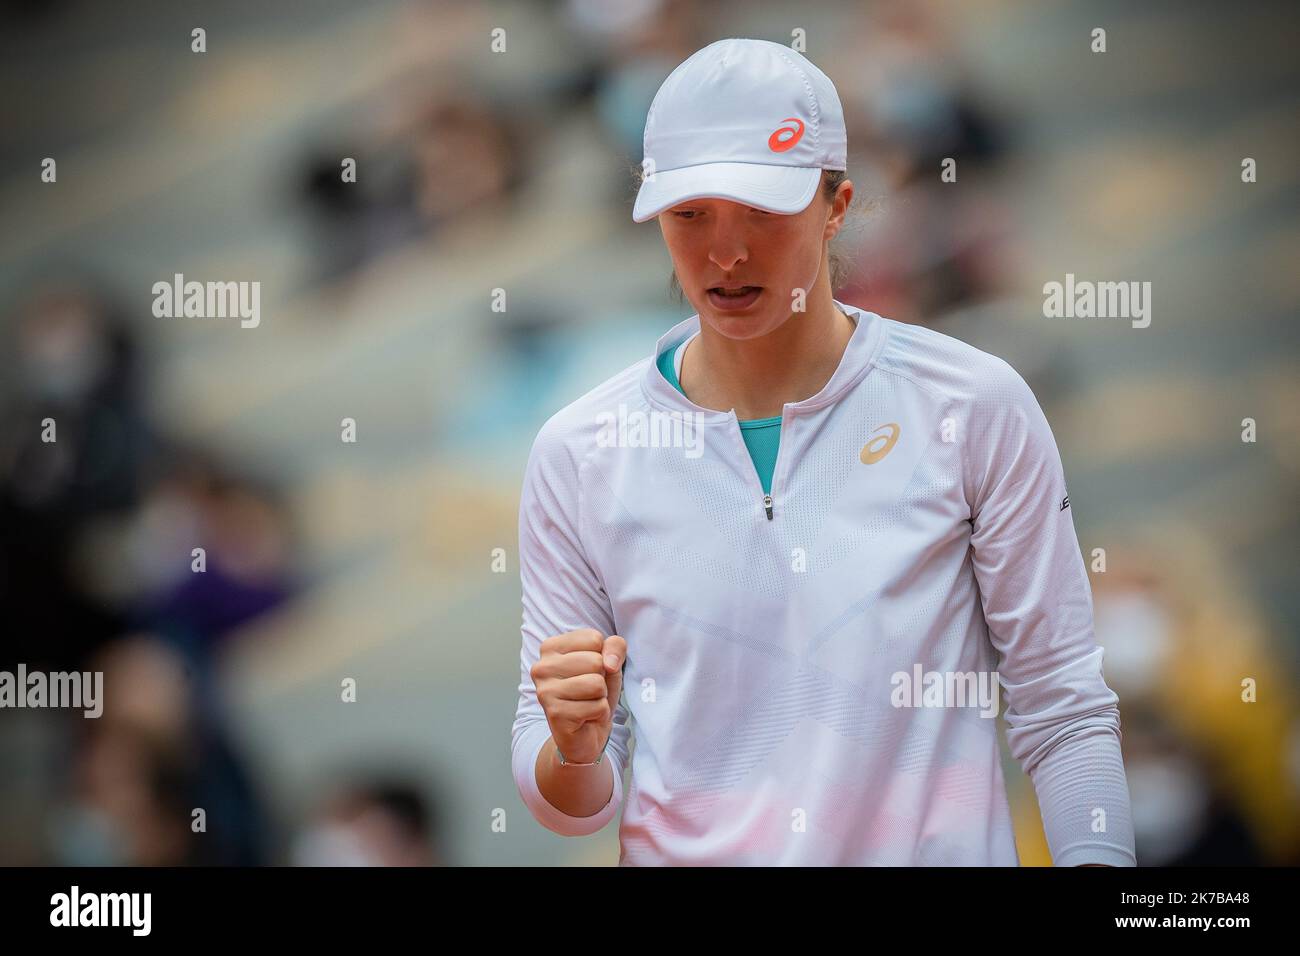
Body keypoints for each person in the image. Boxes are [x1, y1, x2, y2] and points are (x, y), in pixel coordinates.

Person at [510, 37, 1135, 866]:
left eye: (762, 213)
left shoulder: (974, 404)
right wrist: (576, 750)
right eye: (689, 215)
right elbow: (571, 803)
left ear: (836, 206)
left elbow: (1062, 708)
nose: (725, 254)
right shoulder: (578, 451)